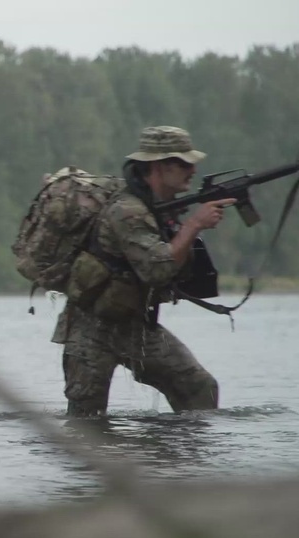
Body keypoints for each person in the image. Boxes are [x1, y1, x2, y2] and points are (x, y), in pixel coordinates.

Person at [53, 126, 237, 417]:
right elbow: (157, 270)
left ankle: (170, 459)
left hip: (137, 326)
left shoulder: (161, 207)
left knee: (199, 388)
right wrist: (194, 225)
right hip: (92, 329)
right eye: (183, 163)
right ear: (157, 167)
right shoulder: (128, 211)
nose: (192, 169)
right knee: (86, 420)